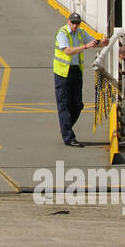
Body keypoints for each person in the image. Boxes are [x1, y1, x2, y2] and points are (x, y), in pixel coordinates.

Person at [54, 12, 102, 147]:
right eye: (73, 22)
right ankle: (68, 136)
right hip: (63, 73)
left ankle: (65, 128)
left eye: (77, 23)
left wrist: (102, 42)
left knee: (78, 105)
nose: (75, 26)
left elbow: (92, 42)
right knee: (64, 105)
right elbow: (67, 51)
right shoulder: (62, 33)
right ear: (68, 21)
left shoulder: (81, 32)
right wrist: (85, 46)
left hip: (76, 71)